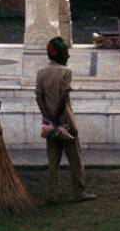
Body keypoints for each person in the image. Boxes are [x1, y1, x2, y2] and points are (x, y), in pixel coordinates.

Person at [36, 36, 95, 203]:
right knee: (75, 158)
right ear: (60, 55)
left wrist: (48, 118)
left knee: (53, 160)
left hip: (48, 123)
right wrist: (56, 117)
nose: (68, 57)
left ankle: (53, 193)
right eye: (66, 54)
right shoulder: (65, 72)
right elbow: (63, 97)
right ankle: (79, 191)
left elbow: (38, 97)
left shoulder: (41, 72)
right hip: (66, 121)